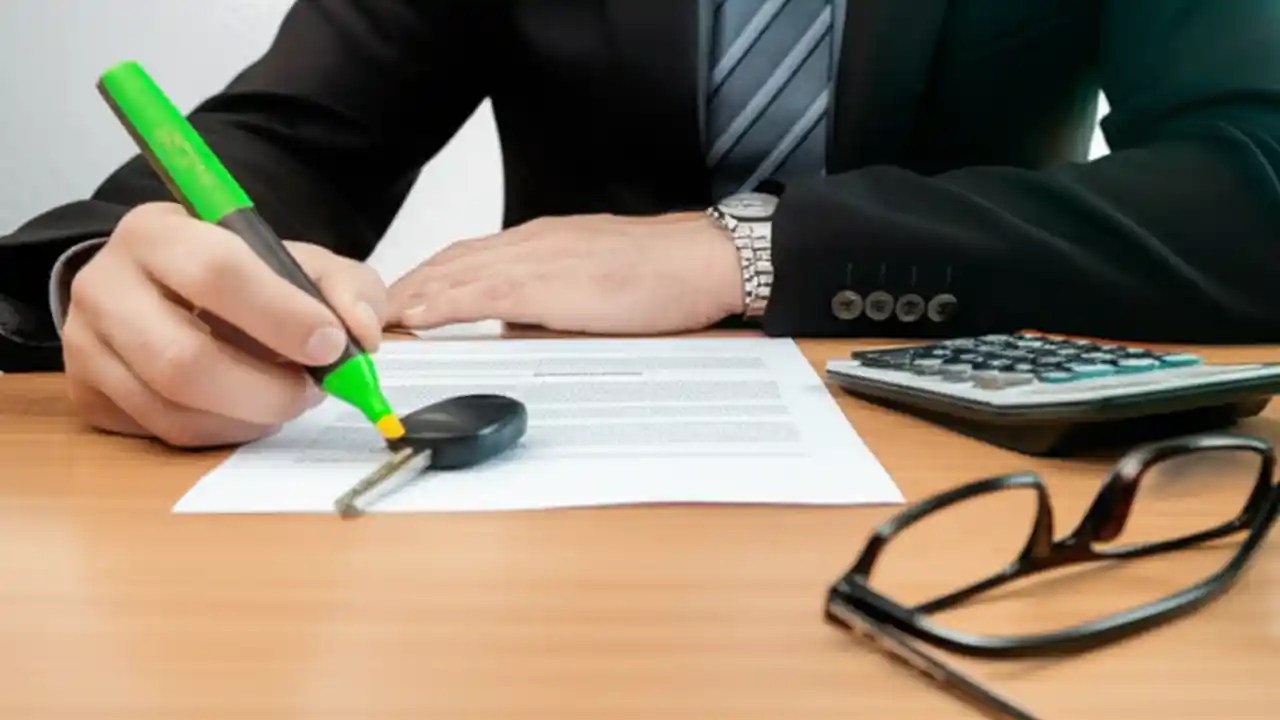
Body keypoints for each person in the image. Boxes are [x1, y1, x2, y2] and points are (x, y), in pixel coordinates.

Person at [1, 0, 1278, 448]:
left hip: (978, 459)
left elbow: (1251, 179)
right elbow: (285, 139)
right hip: (569, 488)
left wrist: (748, 248)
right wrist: (97, 274)